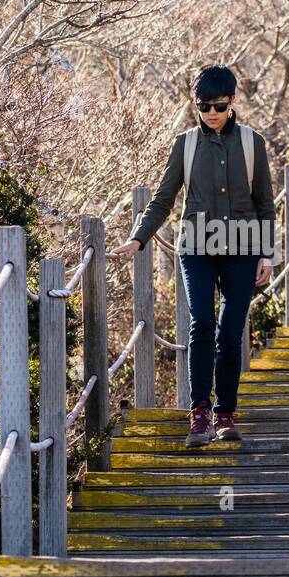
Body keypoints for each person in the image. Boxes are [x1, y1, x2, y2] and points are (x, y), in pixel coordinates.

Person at [109, 65, 276, 446]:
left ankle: (225, 414)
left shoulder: (253, 143)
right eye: (204, 106)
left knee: (231, 332)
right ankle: (198, 413)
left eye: (218, 105)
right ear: (195, 105)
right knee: (200, 325)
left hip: (244, 246)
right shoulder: (184, 144)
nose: (212, 113)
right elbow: (163, 200)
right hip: (197, 246)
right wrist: (138, 239)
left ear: (232, 101)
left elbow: (265, 203)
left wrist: (267, 254)